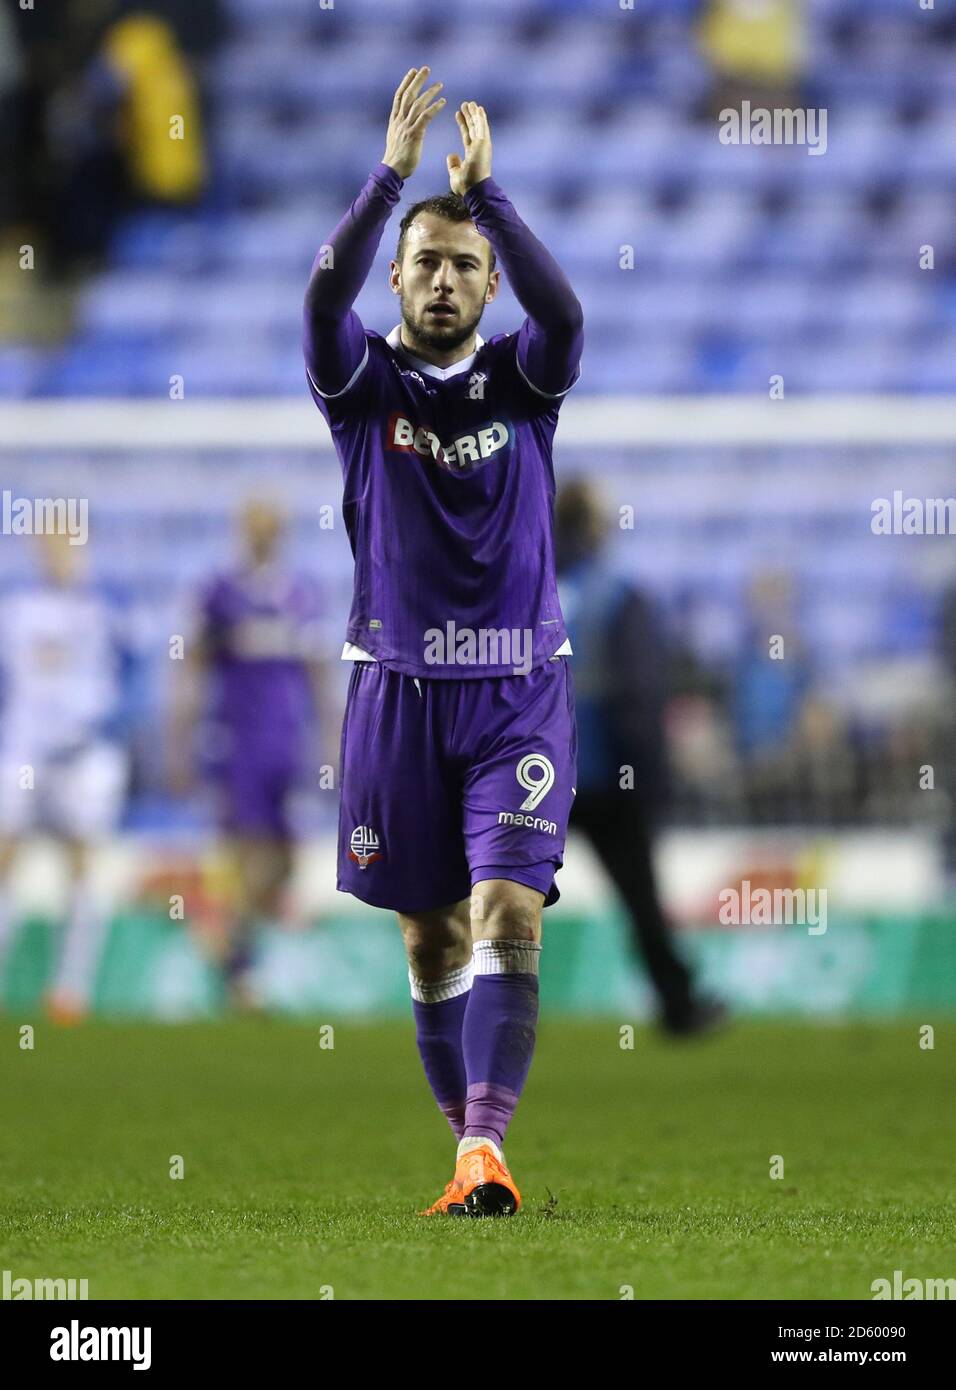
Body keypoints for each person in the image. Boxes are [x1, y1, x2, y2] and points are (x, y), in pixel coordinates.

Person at [303, 68, 583, 1217]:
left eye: (464, 263)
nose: (443, 277)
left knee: (504, 908)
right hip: (396, 693)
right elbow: (318, 301)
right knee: (427, 939)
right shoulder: (361, 383)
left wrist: (487, 196)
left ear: (486, 283)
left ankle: (485, 1147)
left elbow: (566, 317)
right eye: (425, 260)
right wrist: (389, 183)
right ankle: (462, 1148)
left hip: (515, 687)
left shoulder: (525, 379)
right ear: (399, 276)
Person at [555, 479, 727, 1037]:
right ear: (596, 526)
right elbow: (641, 694)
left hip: (529, 770)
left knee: (500, 891)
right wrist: (650, 776)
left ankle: (468, 1012)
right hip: (607, 774)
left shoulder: (522, 586)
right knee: (641, 896)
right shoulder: (619, 595)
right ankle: (678, 1004)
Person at [169, 499, 330, 1008]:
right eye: (255, 527)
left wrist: (332, 739)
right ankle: (241, 975)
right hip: (237, 742)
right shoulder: (219, 594)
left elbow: (319, 673)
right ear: (242, 531)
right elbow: (191, 667)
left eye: (271, 526)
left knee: (286, 862)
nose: (263, 535)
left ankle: (227, 942)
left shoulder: (301, 594)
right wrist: (180, 739)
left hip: (285, 744)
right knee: (247, 853)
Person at [0, 532, 130, 1023]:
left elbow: (133, 675)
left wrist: (107, 726)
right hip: (24, 751)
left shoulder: (105, 605)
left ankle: (69, 993)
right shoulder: (15, 607)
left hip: (84, 754)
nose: (56, 553)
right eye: (47, 543)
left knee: (80, 862)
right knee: (6, 855)